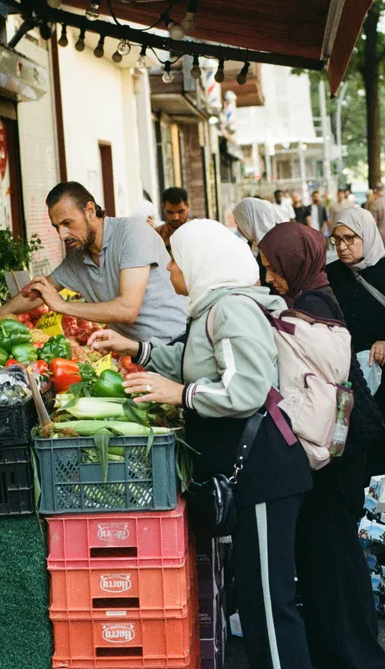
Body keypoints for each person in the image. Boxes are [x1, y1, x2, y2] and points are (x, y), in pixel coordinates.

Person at [89, 219, 314, 669]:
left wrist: (181, 396)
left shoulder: (233, 309)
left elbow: (247, 388)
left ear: (200, 262)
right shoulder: (211, 308)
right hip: (247, 471)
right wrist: (135, 349)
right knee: (253, 597)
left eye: (176, 258)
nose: (171, 268)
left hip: (266, 473)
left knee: (270, 604)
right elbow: (194, 361)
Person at [258, 222, 385, 669]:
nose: (269, 277)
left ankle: (353, 656)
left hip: (334, 451)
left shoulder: (310, 306)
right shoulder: (311, 294)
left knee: (333, 558)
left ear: (293, 263)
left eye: (273, 267)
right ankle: (346, 652)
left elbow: (329, 368)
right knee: (331, 556)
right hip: (342, 444)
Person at [0, 181, 187, 342]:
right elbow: (39, 292)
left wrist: (60, 305)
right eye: (56, 227)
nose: (62, 235)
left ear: (89, 210)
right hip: (140, 355)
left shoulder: (133, 232)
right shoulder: (77, 257)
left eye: (67, 223)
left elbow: (127, 309)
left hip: (175, 346)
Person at [325, 206, 385, 473]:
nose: (343, 246)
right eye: (337, 240)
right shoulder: (331, 275)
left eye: (351, 238)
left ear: (367, 235)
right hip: (351, 377)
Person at [156, 186, 194, 254]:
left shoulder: (198, 232)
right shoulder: (156, 236)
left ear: (188, 206)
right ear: (163, 208)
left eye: (181, 212)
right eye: (170, 212)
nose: (175, 217)